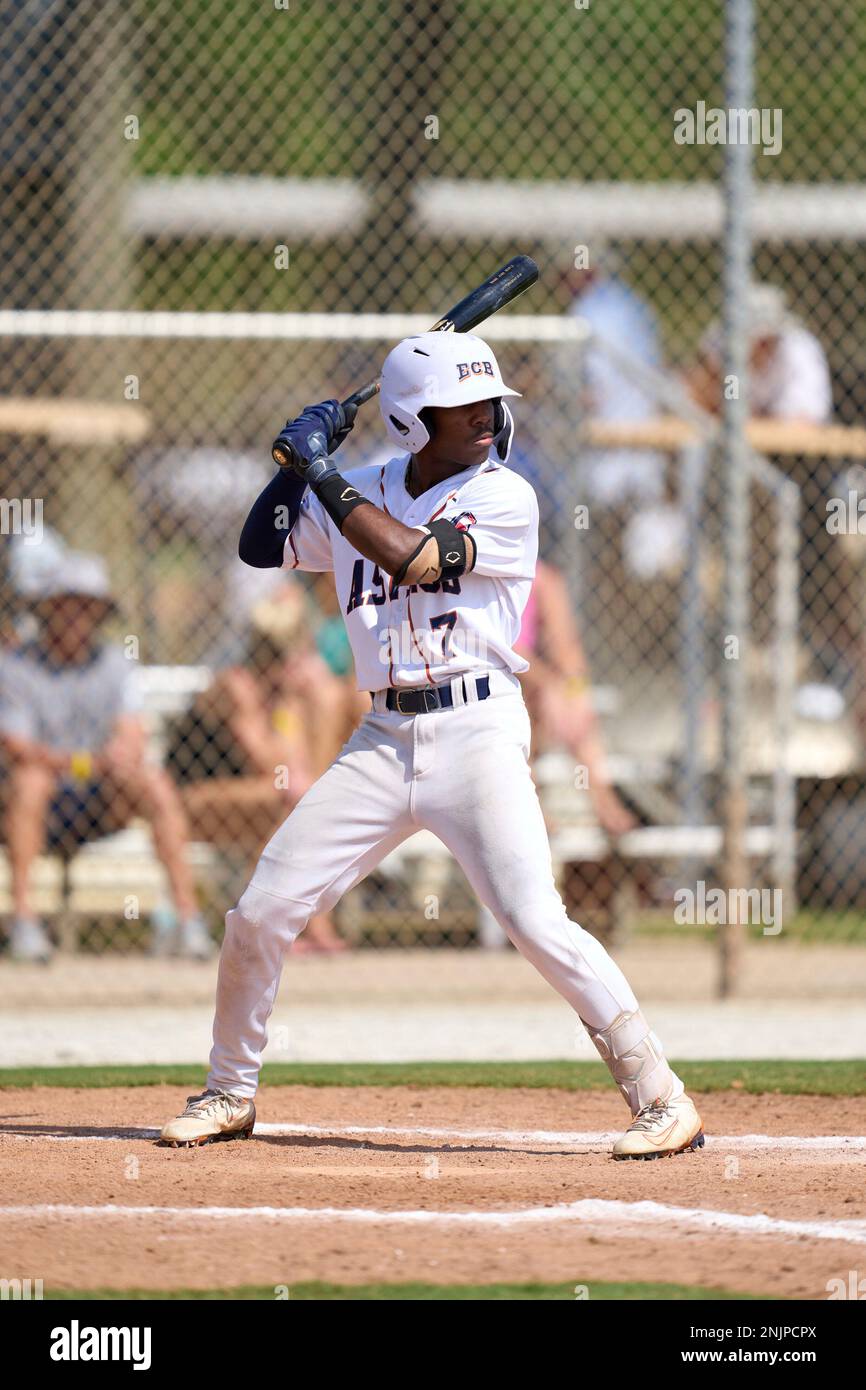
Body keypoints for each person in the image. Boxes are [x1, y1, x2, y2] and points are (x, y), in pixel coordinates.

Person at [160, 331, 704, 1160]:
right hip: (380, 735)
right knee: (260, 912)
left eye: (491, 405)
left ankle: (662, 1099)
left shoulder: (506, 498)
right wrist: (292, 461)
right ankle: (229, 1090)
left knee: (534, 920)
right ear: (414, 421)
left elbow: (412, 558)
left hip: (478, 731)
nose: (486, 419)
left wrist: (320, 471)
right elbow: (260, 543)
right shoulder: (366, 483)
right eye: (464, 409)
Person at [0, 552, 213, 961]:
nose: (77, 615)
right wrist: (85, 762)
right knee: (30, 781)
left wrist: (119, 753)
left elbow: (132, 734)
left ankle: (189, 922)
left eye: (87, 606)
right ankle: (24, 922)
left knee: (152, 781)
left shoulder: (116, 663)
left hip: (100, 799)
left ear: (100, 612)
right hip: (40, 801)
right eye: (67, 604)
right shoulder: (18, 666)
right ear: (48, 609)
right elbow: (18, 747)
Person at [166, 591, 352, 953]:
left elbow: (292, 768)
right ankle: (289, 925)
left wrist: (299, 703)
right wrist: (290, 704)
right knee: (288, 799)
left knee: (297, 799)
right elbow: (269, 764)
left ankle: (300, 923)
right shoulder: (239, 687)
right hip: (187, 802)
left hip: (250, 798)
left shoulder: (278, 693)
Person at [686, 282, 832, 423]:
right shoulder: (726, 347)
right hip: (748, 423)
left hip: (786, 437)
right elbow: (725, 398)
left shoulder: (800, 350)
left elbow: (804, 420)